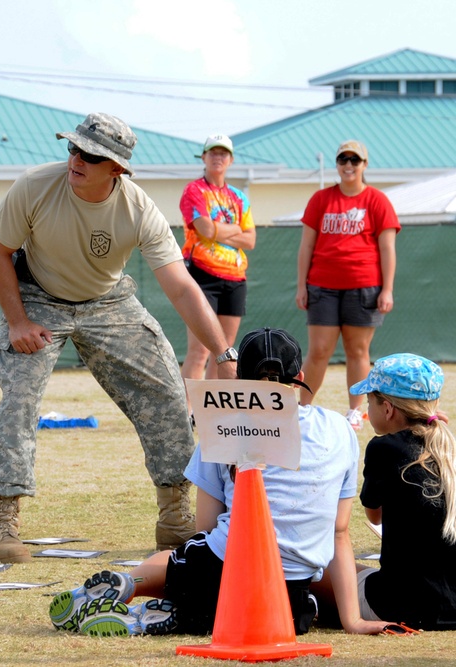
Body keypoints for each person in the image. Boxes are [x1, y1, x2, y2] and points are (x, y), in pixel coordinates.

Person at [0, 112, 238, 563]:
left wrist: (223, 351)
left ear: (117, 169)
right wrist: (18, 322)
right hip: (37, 297)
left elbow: (180, 286)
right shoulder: (34, 186)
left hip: (108, 301)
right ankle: (4, 520)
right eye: (74, 149)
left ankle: (175, 515)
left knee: (166, 392)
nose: (77, 159)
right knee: (19, 398)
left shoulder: (139, 209)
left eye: (92, 155)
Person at [48, 328, 400, 637]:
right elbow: (339, 531)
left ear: (241, 379)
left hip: (223, 567)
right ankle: (160, 614)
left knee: (180, 560)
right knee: (294, 609)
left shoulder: (223, 427)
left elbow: (205, 527)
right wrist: (352, 620)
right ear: (301, 376)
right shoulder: (340, 429)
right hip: (288, 591)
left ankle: (130, 587)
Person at [340, 353, 456, 630]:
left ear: (388, 409)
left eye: (370, 401)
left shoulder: (383, 448)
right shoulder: (448, 449)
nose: (368, 408)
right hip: (451, 603)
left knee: (320, 570)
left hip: (402, 605)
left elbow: (374, 516)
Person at [295, 139, 400, 431]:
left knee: (357, 352)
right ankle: (302, 408)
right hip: (322, 286)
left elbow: (387, 249)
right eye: (343, 159)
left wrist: (387, 289)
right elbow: (306, 246)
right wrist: (302, 286)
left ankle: (356, 411)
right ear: (337, 164)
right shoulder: (320, 199)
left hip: (364, 286)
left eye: (355, 160)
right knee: (318, 351)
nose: (349, 165)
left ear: (364, 165)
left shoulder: (377, 201)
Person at [179, 134, 255, 384]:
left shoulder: (239, 197)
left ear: (231, 160)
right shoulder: (194, 190)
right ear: (203, 157)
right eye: (212, 152)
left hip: (235, 278)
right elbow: (205, 229)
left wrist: (218, 229)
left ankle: (212, 411)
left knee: (224, 352)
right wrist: (235, 230)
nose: (218, 158)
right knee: (200, 350)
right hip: (201, 274)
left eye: (223, 153)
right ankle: (187, 411)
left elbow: (251, 239)